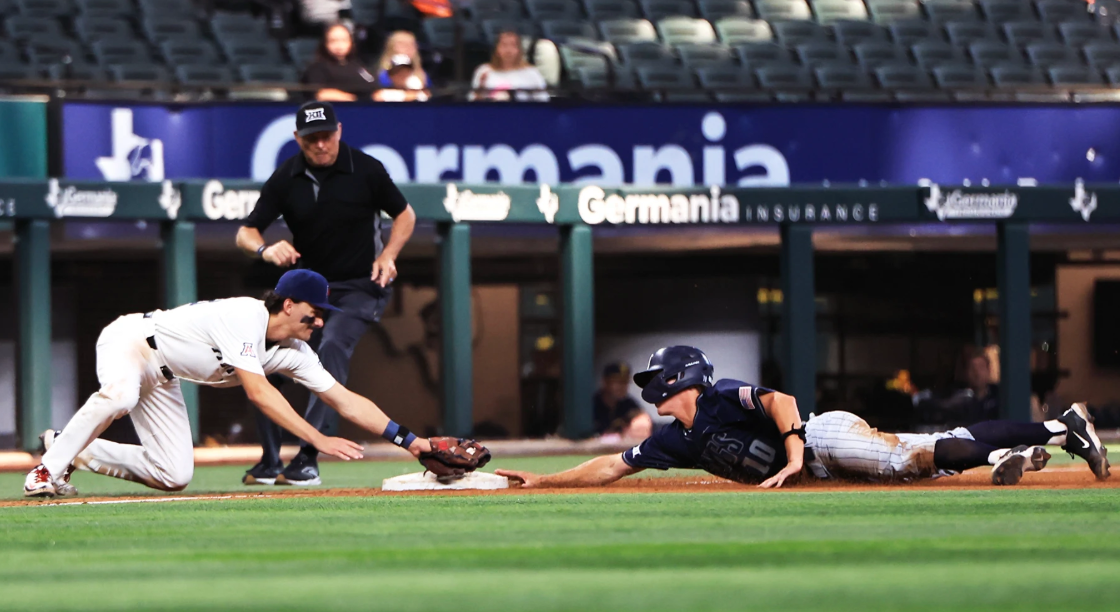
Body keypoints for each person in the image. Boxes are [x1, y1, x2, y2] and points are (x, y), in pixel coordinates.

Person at [23, 270, 484, 497]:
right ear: (286, 304)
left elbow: (344, 399)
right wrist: (316, 438)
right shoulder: (246, 315)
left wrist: (411, 441)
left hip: (164, 378)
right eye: (313, 311)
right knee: (120, 394)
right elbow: (259, 393)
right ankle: (47, 469)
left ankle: (73, 447)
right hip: (132, 342)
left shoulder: (296, 351)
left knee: (175, 475)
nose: (319, 320)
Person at [497, 346, 1111, 489]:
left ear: (683, 378)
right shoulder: (674, 441)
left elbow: (780, 402)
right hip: (821, 463)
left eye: (657, 380)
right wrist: (543, 480)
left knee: (913, 457)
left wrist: (792, 453)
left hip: (820, 434)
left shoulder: (716, 395)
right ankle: (1053, 432)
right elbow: (612, 463)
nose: (651, 390)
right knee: (934, 453)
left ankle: (1053, 432)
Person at [235, 100, 417, 486]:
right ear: (297, 139)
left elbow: (405, 215)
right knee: (267, 353)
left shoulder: (366, 168)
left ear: (339, 131)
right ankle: (270, 461)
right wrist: (265, 249)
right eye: (310, 139)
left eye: (326, 136)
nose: (320, 145)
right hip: (310, 291)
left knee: (331, 346)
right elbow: (246, 232)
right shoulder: (286, 177)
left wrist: (389, 254)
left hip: (359, 286)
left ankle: (307, 456)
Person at [301, 24, 376, 102]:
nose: (339, 46)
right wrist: (356, 100)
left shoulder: (357, 65)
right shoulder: (317, 67)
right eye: (333, 41)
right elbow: (321, 94)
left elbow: (372, 84)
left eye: (344, 40)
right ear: (325, 43)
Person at [470, 31, 549, 102]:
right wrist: (480, 91)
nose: (508, 50)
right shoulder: (484, 71)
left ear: (519, 49)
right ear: (496, 49)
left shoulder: (531, 72)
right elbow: (473, 102)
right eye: (504, 45)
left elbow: (543, 100)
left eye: (513, 45)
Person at [593, 362, 652, 441]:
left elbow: (643, 420)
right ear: (605, 382)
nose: (622, 387)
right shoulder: (593, 404)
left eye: (625, 382)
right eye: (617, 382)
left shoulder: (628, 404)